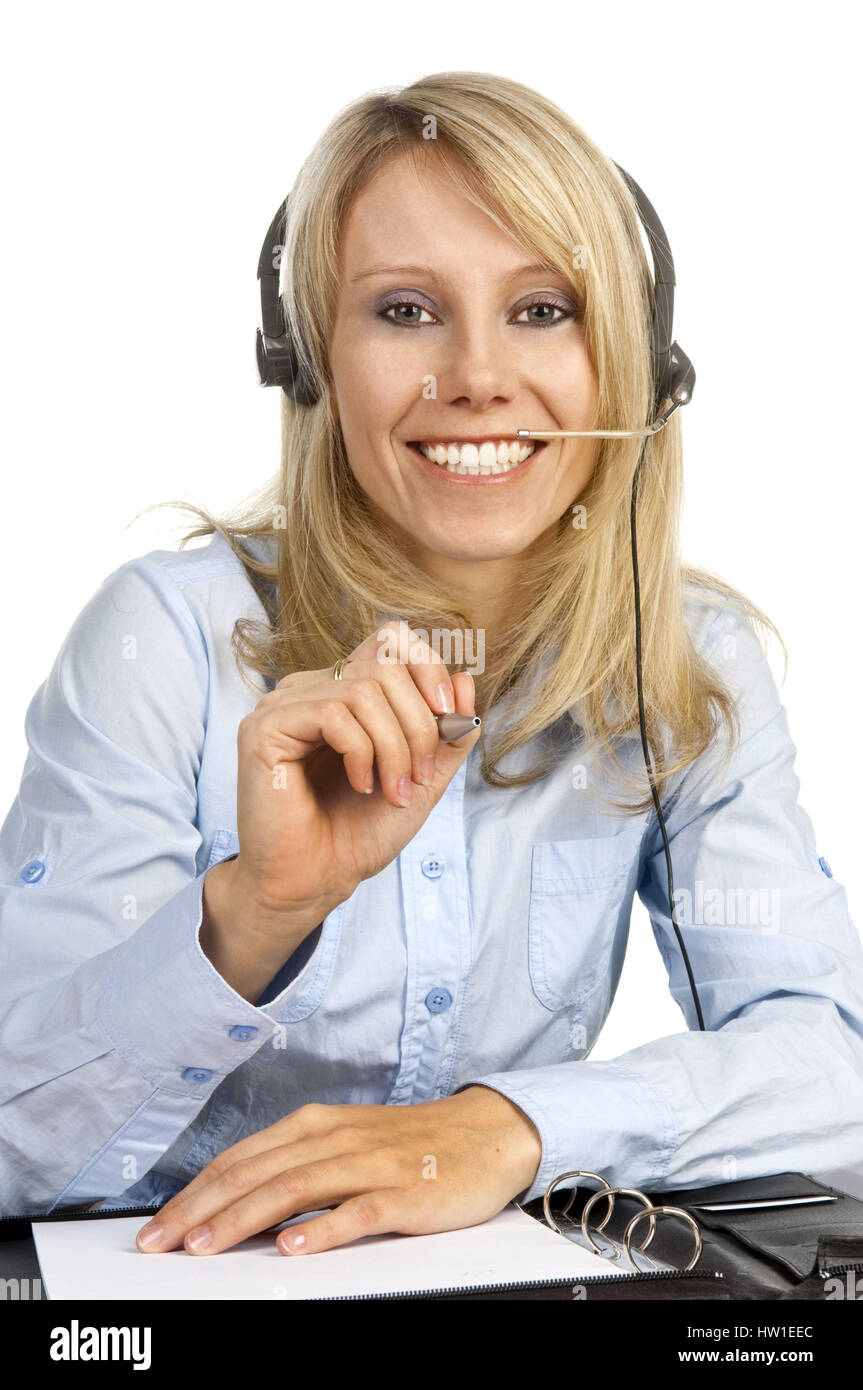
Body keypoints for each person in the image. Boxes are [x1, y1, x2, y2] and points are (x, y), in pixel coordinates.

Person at [2, 72, 862, 1262]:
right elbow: (10, 1134)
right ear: (308, 359)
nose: (474, 377)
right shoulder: (162, 642)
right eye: (404, 310)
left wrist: (505, 1128)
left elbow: (828, 1063)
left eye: (543, 308)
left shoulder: (682, 661)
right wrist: (254, 916)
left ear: (638, 367)